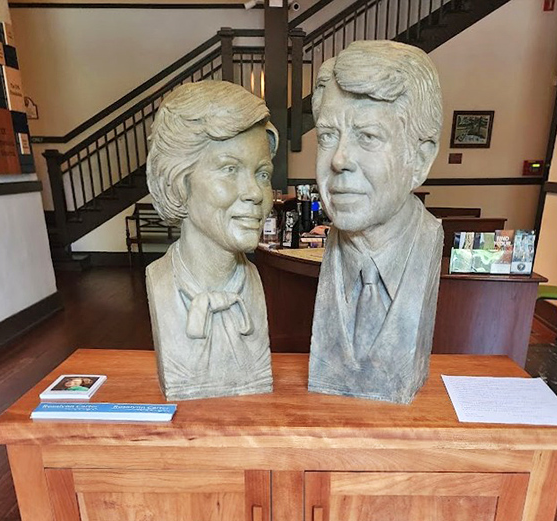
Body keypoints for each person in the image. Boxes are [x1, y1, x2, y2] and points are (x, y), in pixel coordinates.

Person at [308, 41, 444, 404]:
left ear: (420, 157)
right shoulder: (334, 250)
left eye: (367, 136)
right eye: (327, 136)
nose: (338, 160)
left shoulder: (427, 240)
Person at [145, 81, 278, 400]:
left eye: (263, 174)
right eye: (230, 169)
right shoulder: (160, 281)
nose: (255, 194)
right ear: (180, 183)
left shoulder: (254, 284)